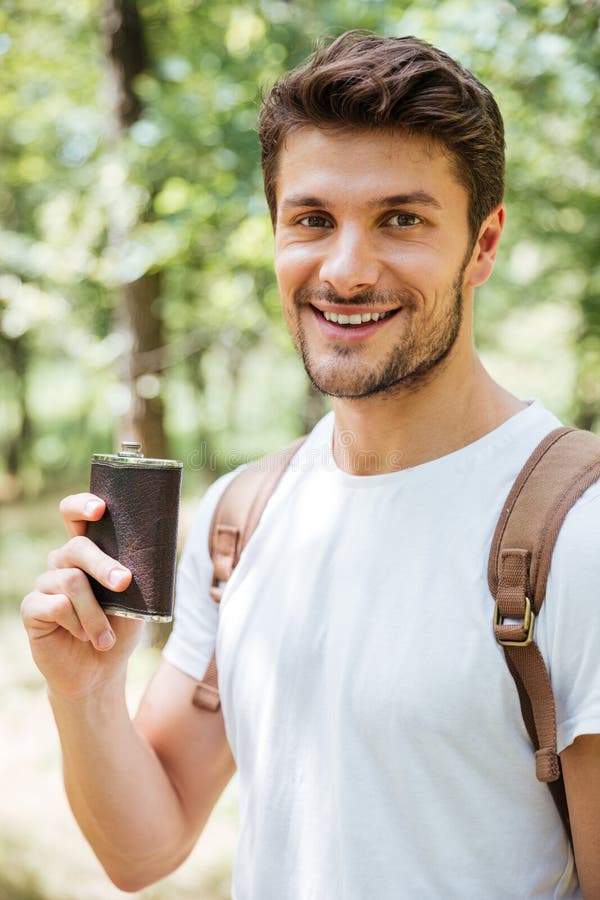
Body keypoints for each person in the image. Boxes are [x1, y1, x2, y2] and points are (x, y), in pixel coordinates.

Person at [21, 30, 600, 899]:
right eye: (313, 220)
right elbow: (143, 850)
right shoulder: (240, 517)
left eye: (401, 219)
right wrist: (88, 690)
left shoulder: (577, 533)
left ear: (483, 245)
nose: (346, 268)